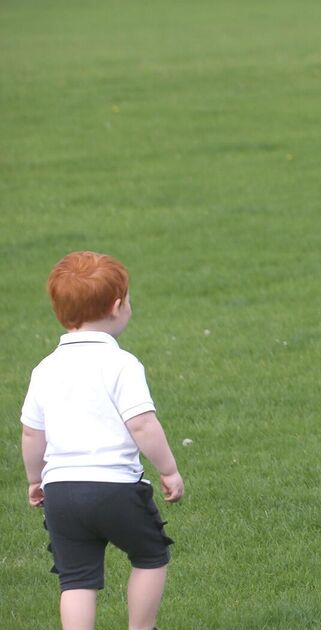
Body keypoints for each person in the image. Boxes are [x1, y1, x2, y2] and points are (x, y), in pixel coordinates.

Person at [20, 251, 184, 630]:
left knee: (76, 578)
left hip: (60, 491)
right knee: (150, 555)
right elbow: (142, 423)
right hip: (116, 488)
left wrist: (34, 479)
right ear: (116, 306)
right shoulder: (122, 364)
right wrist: (169, 470)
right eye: (127, 299)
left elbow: (31, 432)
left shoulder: (45, 368)